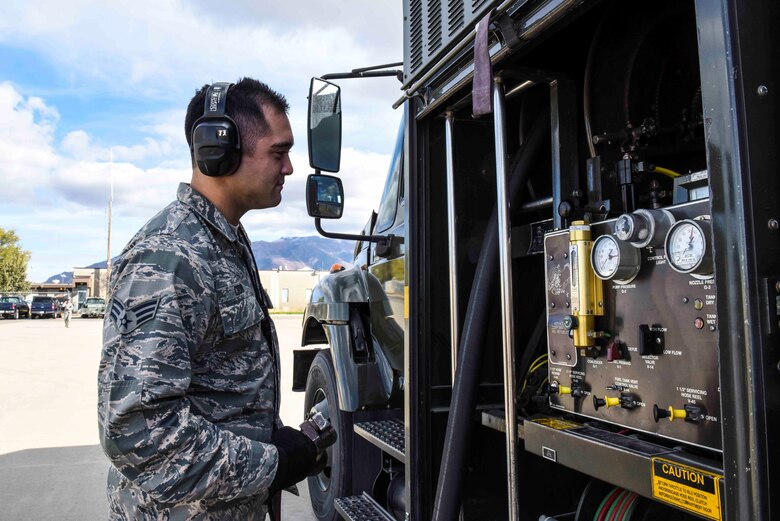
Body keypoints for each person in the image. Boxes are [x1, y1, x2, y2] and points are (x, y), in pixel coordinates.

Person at [97, 78, 319, 520]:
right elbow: (138, 433)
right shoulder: (169, 256)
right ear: (219, 151)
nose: (290, 168)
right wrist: (274, 463)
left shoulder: (221, 240)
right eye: (279, 153)